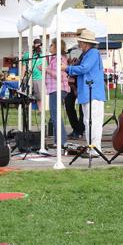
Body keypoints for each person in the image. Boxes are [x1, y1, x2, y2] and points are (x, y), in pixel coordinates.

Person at [66, 28, 105, 156]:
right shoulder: (88, 54)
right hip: (87, 92)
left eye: (81, 42)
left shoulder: (93, 53)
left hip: (93, 92)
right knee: (88, 121)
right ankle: (91, 147)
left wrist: (67, 68)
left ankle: (94, 148)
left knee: (93, 121)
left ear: (86, 43)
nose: (79, 44)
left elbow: (85, 68)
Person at [43, 39, 71, 140]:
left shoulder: (59, 59)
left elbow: (59, 75)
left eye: (51, 45)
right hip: (55, 89)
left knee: (55, 115)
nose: (49, 47)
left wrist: (45, 69)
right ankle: (58, 140)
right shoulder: (55, 59)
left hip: (57, 89)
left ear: (56, 47)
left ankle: (62, 141)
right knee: (55, 115)